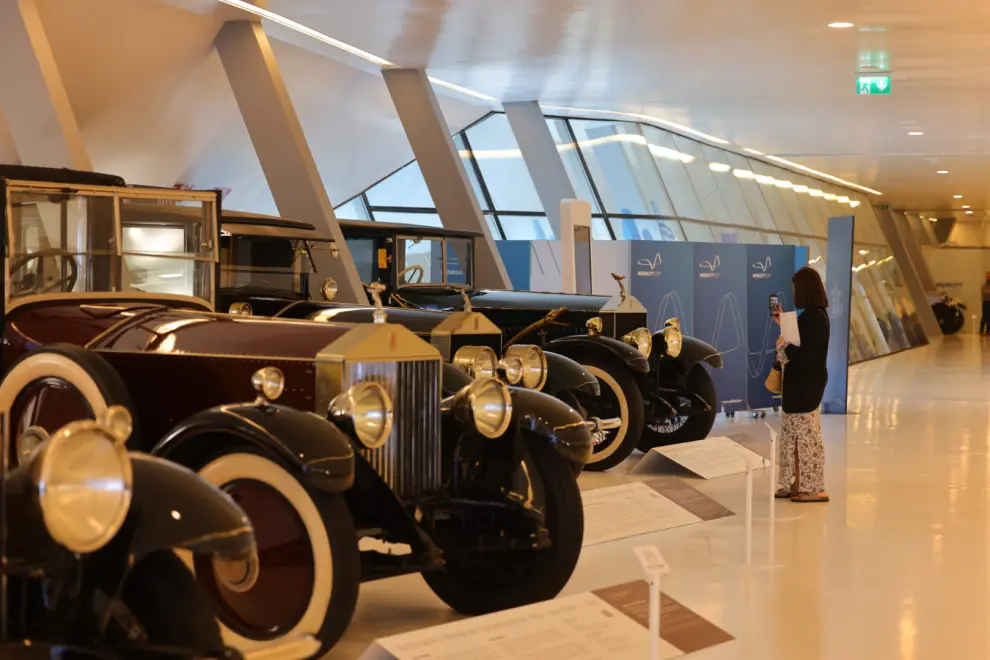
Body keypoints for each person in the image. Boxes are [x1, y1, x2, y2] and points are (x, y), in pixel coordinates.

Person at [773, 267, 830, 503]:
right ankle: (796, 483)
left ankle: (813, 487)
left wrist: (781, 348)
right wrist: (783, 325)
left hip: (805, 385)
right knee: (794, 436)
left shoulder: (813, 318)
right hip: (803, 384)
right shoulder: (812, 316)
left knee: (805, 439)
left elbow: (800, 351)